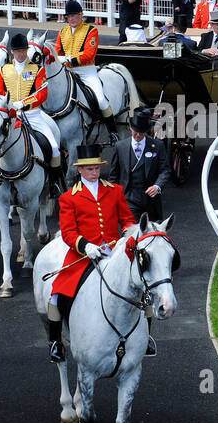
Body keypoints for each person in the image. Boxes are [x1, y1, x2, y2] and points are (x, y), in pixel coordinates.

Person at [47, 143, 147, 363]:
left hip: (114, 251)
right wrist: (85, 246)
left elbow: (128, 221)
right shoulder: (68, 198)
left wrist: (129, 235)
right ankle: (56, 341)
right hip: (83, 255)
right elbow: (68, 232)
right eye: (89, 169)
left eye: (96, 168)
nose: (94, 172)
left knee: (144, 287)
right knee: (57, 295)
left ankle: (146, 337)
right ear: (80, 170)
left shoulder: (115, 191)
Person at [0, 32, 63, 194]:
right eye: (18, 51)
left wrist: (24, 103)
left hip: (33, 115)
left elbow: (42, 94)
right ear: (12, 52)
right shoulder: (4, 71)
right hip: (9, 115)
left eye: (24, 51)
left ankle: (53, 183)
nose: (21, 54)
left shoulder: (37, 70)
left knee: (54, 147)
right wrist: (0, 105)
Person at [55, 0, 117, 140]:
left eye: (74, 15)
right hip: (67, 71)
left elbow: (89, 53)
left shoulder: (91, 30)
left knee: (101, 100)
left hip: (86, 71)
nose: (71, 18)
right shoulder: (62, 32)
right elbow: (57, 51)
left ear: (81, 15)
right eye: (69, 16)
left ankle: (112, 131)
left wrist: (69, 58)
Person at [108, 108, 171, 219]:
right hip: (129, 199)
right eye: (135, 131)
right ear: (130, 127)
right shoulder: (120, 146)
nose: (137, 135)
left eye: (141, 132)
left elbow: (165, 171)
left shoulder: (158, 146)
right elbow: (114, 175)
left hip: (151, 200)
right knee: (131, 233)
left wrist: (157, 186)